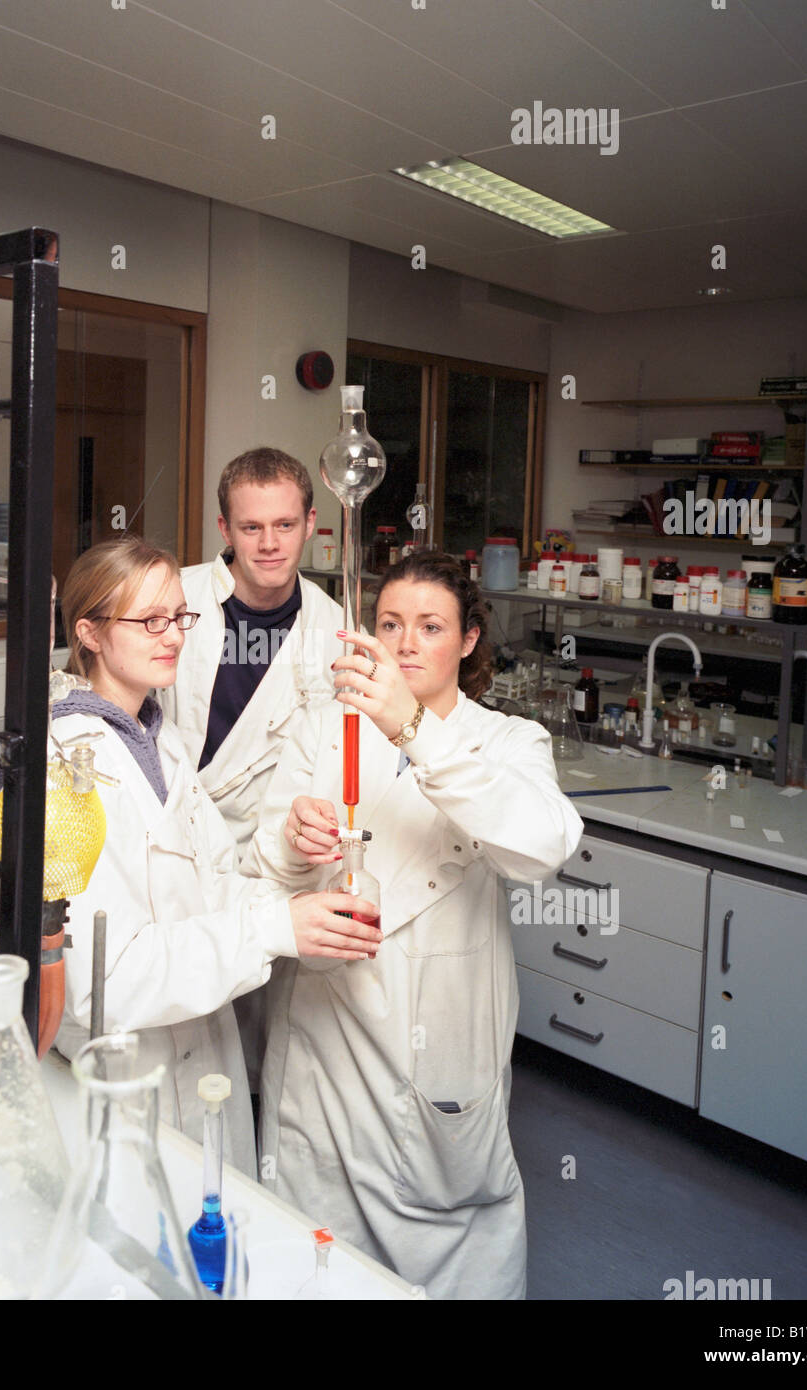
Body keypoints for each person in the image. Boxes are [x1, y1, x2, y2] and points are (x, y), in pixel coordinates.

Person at [244, 550, 583, 1296]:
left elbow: (542, 847)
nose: (403, 643)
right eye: (390, 623)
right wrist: (292, 838)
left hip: (433, 1041)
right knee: (315, 1252)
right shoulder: (323, 729)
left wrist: (411, 727)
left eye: (429, 626)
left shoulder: (507, 742)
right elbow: (269, 867)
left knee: (449, 1254)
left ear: (466, 642)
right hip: (326, 1033)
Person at [51, 537, 378, 1176]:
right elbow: (102, 981)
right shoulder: (70, 766)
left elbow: (216, 880)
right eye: (150, 621)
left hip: (193, 1057)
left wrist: (297, 911)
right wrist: (272, 928)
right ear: (89, 632)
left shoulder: (158, 737)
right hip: (126, 1078)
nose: (173, 635)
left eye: (180, 616)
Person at [157, 447, 344, 1090]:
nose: (269, 543)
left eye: (285, 525)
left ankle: (245, 1172)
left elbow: (335, 759)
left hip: (269, 862)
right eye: (251, 527)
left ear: (312, 523)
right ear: (224, 529)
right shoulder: (172, 598)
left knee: (255, 1052)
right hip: (170, 844)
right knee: (168, 1028)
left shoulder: (333, 628)